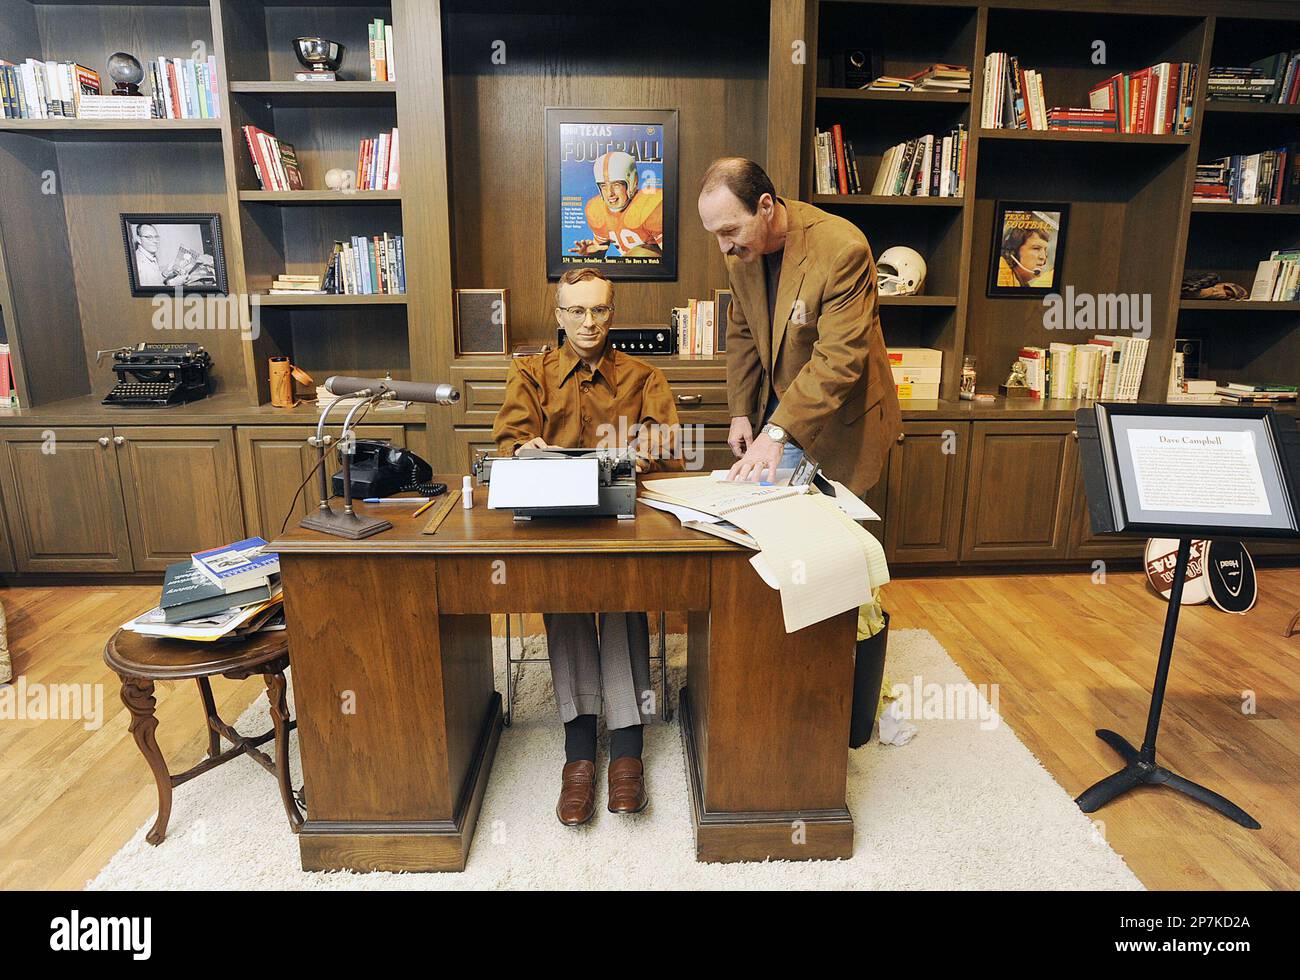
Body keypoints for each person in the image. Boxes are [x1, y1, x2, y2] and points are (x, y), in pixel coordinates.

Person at [492, 267, 682, 826]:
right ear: (559, 315)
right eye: (576, 310)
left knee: (624, 601)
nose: (589, 321)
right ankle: (579, 752)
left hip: (623, 520)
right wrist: (530, 450)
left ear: (612, 313)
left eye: (599, 310)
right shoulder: (529, 372)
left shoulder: (645, 375)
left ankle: (625, 748)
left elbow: (665, 441)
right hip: (555, 522)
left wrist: (646, 446)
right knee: (567, 597)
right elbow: (510, 442)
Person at [696, 157, 901, 494]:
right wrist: (741, 412)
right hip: (776, 405)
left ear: (765, 206)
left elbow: (838, 360)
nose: (724, 246)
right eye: (716, 234)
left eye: (730, 230)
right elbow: (744, 332)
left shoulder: (842, 250)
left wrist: (777, 432)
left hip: (840, 417)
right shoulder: (740, 250)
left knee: (834, 534)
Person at [569, 151, 664, 258]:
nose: (609, 193)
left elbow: (672, 260)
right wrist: (591, 255)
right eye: (604, 186)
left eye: (616, 185)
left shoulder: (652, 205)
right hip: (627, 269)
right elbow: (600, 254)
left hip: (652, 271)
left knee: (640, 252)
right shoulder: (596, 209)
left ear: (632, 182)